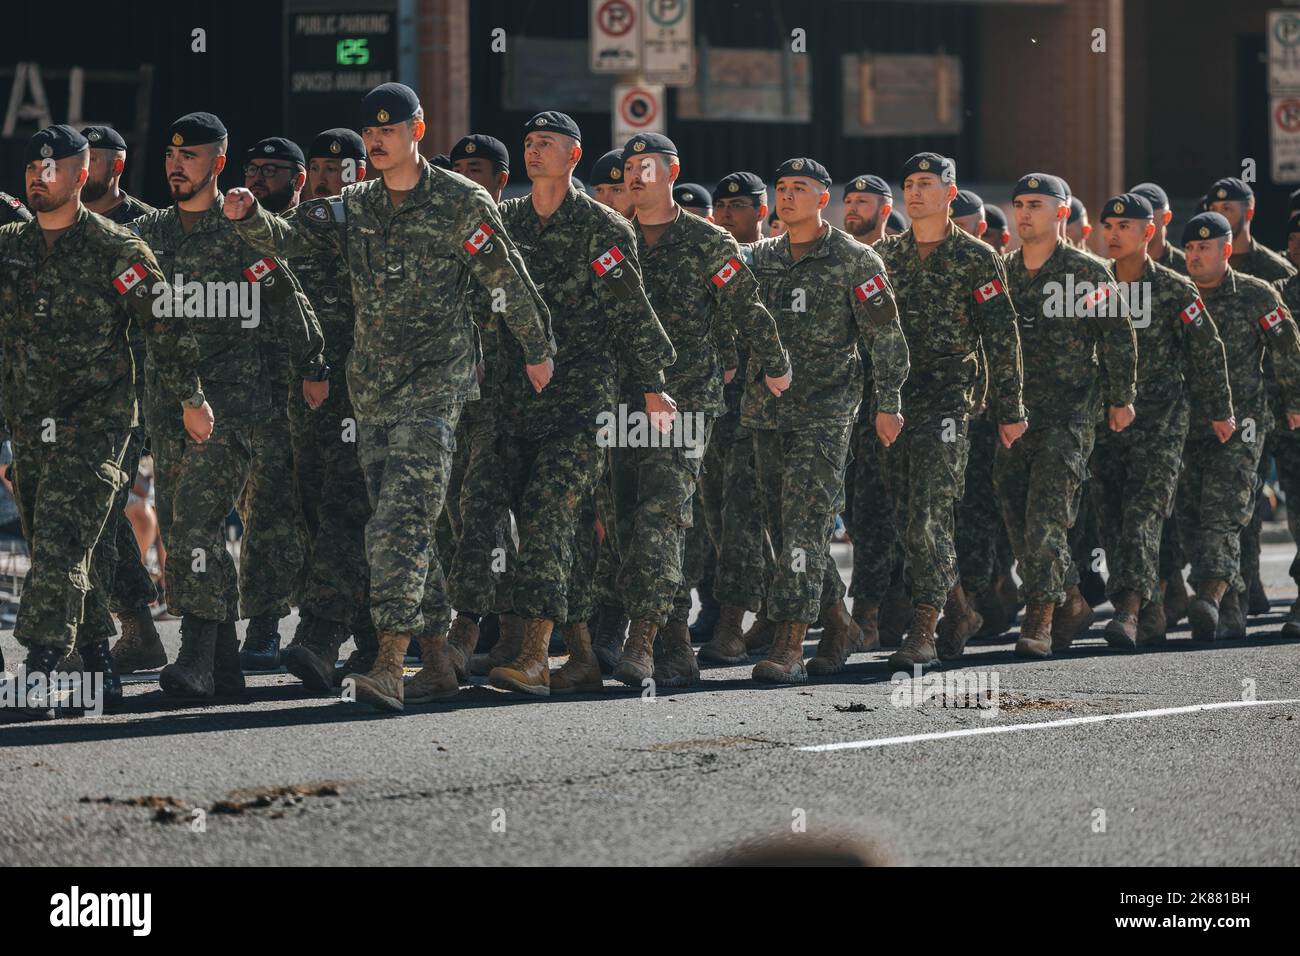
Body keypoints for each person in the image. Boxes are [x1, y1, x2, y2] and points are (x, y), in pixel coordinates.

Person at [226, 83, 555, 712]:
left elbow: (506, 276)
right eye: (370, 132)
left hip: (436, 389)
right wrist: (251, 219)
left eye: (390, 130)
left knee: (397, 523)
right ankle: (437, 662)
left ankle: (388, 663)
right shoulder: (353, 204)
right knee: (408, 528)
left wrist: (537, 351)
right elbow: (295, 239)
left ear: (417, 131)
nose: (377, 141)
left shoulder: (460, 201)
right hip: (372, 390)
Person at [0, 125, 208, 718]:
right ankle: (96, 666)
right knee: (62, 546)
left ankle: (38, 664)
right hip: (30, 427)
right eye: (32, 170)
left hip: (97, 426)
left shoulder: (116, 248)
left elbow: (165, 329)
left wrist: (192, 400)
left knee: (64, 542)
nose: (40, 179)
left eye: (54, 168)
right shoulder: (9, 248)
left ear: (83, 170)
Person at [472, 112, 676, 696]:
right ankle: (583, 656)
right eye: (529, 143)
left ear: (574, 156)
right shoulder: (504, 220)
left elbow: (632, 312)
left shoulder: (604, 228)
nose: (534, 152)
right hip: (511, 397)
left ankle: (536, 654)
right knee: (524, 521)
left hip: (580, 401)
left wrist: (651, 383)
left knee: (547, 513)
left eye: (548, 144)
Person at [134, 111, 328, 700]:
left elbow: (291, 304)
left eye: (189, 156)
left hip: (233, 409)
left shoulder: (243, 231)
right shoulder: (154, 236)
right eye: (171, 157)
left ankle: (193, 652)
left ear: (217, 164)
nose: (176, 165)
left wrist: (314, 365)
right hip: (169, 409)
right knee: (184, 523)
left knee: (197, 521)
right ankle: (222, 663)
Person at [608, 132, 790, 688]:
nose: (636, 176)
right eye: (629, 167)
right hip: (621, 400)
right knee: (624, 523)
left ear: (671, 172)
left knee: (660, 522)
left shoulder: (708, 242)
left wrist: (775, 363)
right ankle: (677, 647)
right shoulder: (612, 239)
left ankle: (641, 643)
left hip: (686, 402)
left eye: (648, 166)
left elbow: (748, 309)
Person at [743, 157, 908, 681]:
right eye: (782, 187)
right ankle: (838, 621)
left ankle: (791, 644)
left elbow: (887, 339)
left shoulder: (856, 261)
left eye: (801, 188)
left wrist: (888, 404)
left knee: (805, 529)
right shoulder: (757, 258)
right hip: (766, 413)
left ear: (822, 199)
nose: (788, 196)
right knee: (782, 528)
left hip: (826, 415)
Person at [874, 153, 1026, 668]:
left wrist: (1010, 407)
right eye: (909, 183)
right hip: (895, 403)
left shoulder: (977, 258)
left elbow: (1001, 336)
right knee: (904, 517)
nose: (915, 192)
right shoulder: (885, 257)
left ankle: (924, 630)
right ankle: (960, 609)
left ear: (950, 191)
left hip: (949, 401)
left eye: (926, 184)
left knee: (928, 517)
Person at [997, 173, 1136, 659]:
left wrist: (1121, 398)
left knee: (1046, 521)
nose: (1025, 212)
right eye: (1018, 204)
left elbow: (1117, 336)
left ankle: (1040, 617)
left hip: (1069, 417)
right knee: (1017, 519)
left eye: (1036, 203)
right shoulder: (1001, 272)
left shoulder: (1088, 272)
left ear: (1060, 212)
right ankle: (1073, 599)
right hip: (1013, 418)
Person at [1090, 193, 1232, 647]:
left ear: (1148, 232)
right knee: (1111, 519)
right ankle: (1152, 608)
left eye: (1125, 227)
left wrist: (1219, 411)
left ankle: (1128, 611)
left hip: (1161, 427)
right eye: (1108, 226)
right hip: (1107, 427)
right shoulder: (1092, 287)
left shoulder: (1174, 289)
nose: (1114, 235)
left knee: (1142, 516)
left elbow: (1208, 352)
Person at [275, 128, 379, 691]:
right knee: (313, 513)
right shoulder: (289, 232)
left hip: (358, 395)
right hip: (299, 401)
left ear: (358, 172)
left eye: (337, 168)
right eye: (316, 166)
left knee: (345, 511)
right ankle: (371, 640)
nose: (324, 177)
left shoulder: (370, 227)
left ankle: (318, 635)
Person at [1178, 212, 1300, 640]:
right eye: (1190, 248)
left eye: (1204, 248)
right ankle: (1232, 605)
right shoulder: (1178, 294)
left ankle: (1210, 594)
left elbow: (1287, 351)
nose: (1195, 256)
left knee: (1225, 512)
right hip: (1187, 423)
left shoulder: (1257, 295)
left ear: (1226, 251)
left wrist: (1294, 403)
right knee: (1193, 515)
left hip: (1244, 423)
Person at [236, 136, 313, 670]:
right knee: (261, 516)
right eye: (253, 168)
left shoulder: (315, 235)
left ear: (298, 179)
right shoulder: (232, 236)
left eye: (273, 170)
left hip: (319, 399)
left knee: (324, 513)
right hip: (254, 400)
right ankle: (263, 626)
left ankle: (323, 625)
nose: (260, 178)